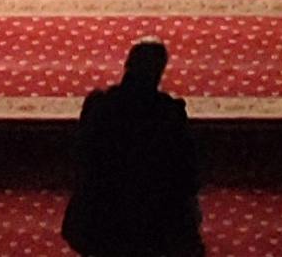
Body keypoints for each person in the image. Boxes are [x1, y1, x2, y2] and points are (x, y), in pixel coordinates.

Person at [61, 39, 203, 257]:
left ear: (127, 65)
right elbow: (189, 172)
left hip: (101, 218)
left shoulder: (100, 106)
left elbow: (80, 157)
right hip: (155, 220)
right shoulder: (169, 113)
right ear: (159, 73)